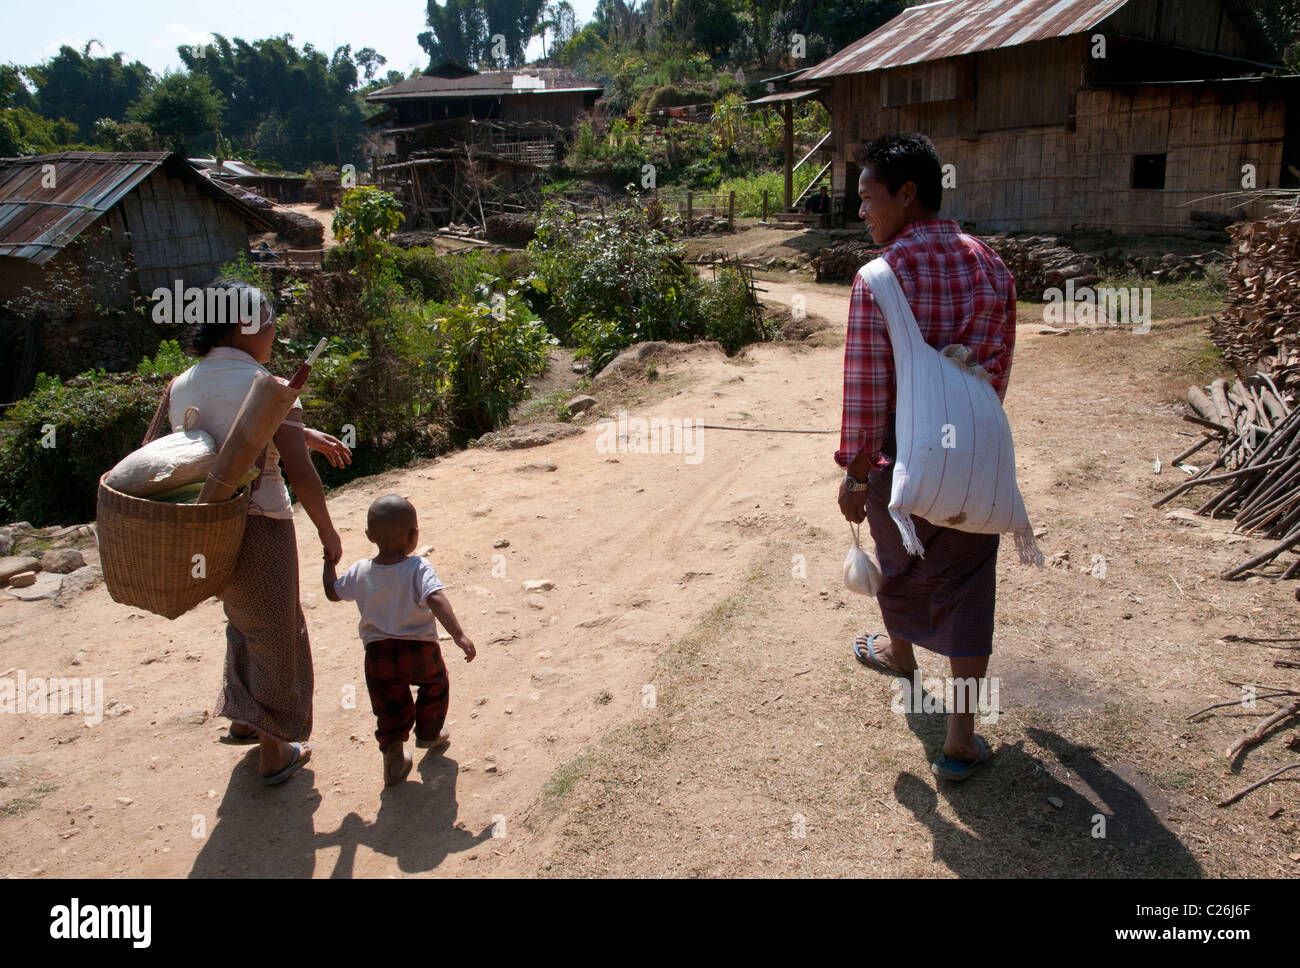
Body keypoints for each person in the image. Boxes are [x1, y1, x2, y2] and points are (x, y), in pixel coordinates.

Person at [835, 133, 1017, 782]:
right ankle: (961, 738)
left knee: (901, 564)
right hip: (975, 459)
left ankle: (901, 655)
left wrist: (856, 472)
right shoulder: (993, 266)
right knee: (968, 587)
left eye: (867, 198)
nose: (861, 211)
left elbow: (867, 390)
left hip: (899, 466)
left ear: (906, 195)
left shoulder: (878, 279)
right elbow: (996, 372)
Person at [167, 278, 346, 785]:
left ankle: (246, 719)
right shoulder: (265, 384)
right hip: (264, 523)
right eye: (269, 323)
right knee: (279, 631)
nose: (273, 332)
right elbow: (299, 472)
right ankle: (276, 747)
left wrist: (302, 431)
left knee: (243, 618)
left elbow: (210, 447)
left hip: (209, 528)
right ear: (245, 326)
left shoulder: (183, 384)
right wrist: (328, 535)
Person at [323, 494, 477, 786]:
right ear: (414, 535)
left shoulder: (359, 571)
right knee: (435, 687)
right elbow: (435, 598)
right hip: (420, 650)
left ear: (369, 536)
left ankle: (394, 753)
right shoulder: (417, 568)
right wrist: (458, 634)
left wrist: (328, 562)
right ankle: (429, 733)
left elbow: (333, 592)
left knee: (388, 705)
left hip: (378, 655)